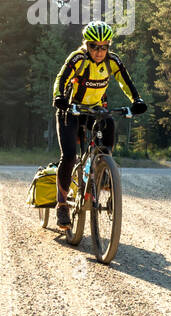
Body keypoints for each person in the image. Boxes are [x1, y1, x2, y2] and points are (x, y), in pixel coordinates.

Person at [52, 21, 146, 228]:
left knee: (109, 124)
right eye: (95, 46)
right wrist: (59, 98)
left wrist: (136, 100)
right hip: (71, 109)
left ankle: (104, 168)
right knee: (68, 156)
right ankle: (62, 205)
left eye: (104, 46)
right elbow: (62, 79)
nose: (99, 51)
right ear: (87, 44)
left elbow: (125, 81)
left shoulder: (112, 61)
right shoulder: (78, 59)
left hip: (94, 109)